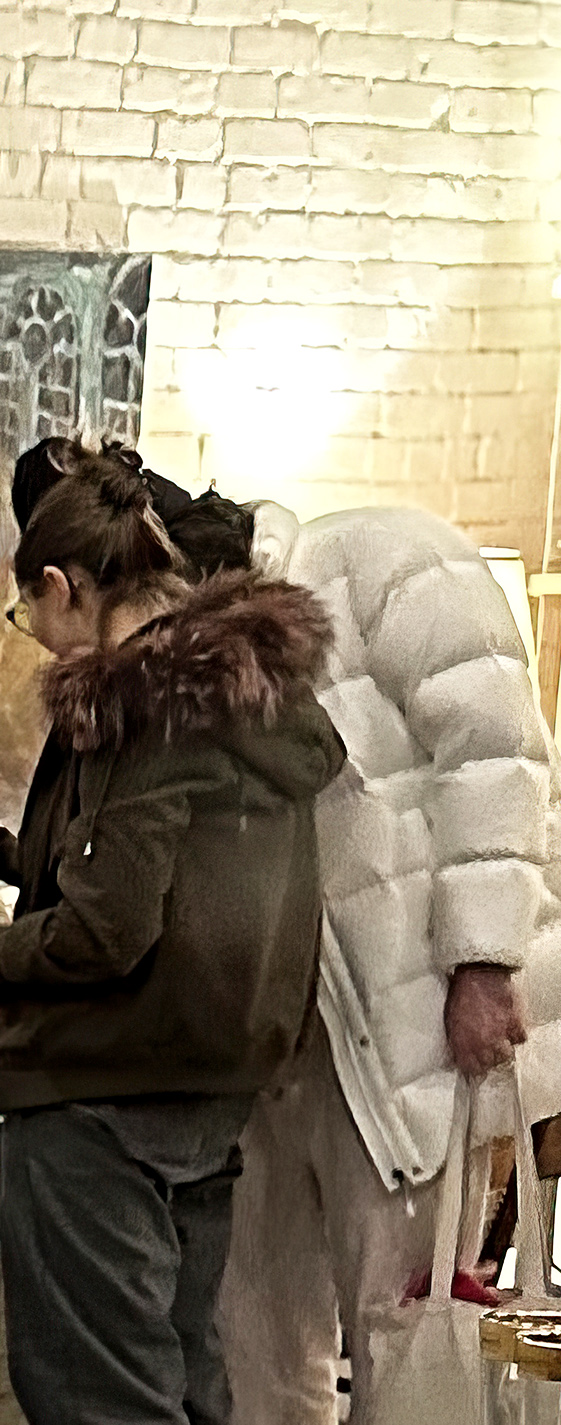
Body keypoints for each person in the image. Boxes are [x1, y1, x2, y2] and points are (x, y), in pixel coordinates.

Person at [13, 447, 561, 1422]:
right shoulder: (188, 668)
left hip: (415, 1027)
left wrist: (483, 960)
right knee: (255, 1341)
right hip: (282, 1039)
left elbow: (495, 754)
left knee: (403, 1333)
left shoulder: (382, 558)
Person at [0, 442, 344, 1425]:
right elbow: (148, 878)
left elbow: (103, 931)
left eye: (30, 616)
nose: (38, 642)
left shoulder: (141, 701)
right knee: (186, 1388)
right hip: (200, 1088)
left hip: (100, 1096)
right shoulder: (244, 692)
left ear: (65, 587)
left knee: (99, 1398)